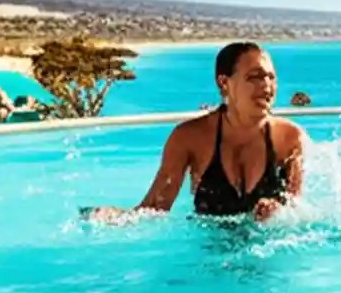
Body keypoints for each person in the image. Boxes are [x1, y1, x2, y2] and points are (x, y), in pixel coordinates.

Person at [84, 42, 306, 224]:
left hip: (269, 262)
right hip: (207, 259)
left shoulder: (289, 139)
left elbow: (297, 210)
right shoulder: (190, 138)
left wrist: (280, 213)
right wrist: (110, 215)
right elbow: (154, 208)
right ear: (224, 83)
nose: (266, 86)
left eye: (271, 77)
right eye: (255, 77)